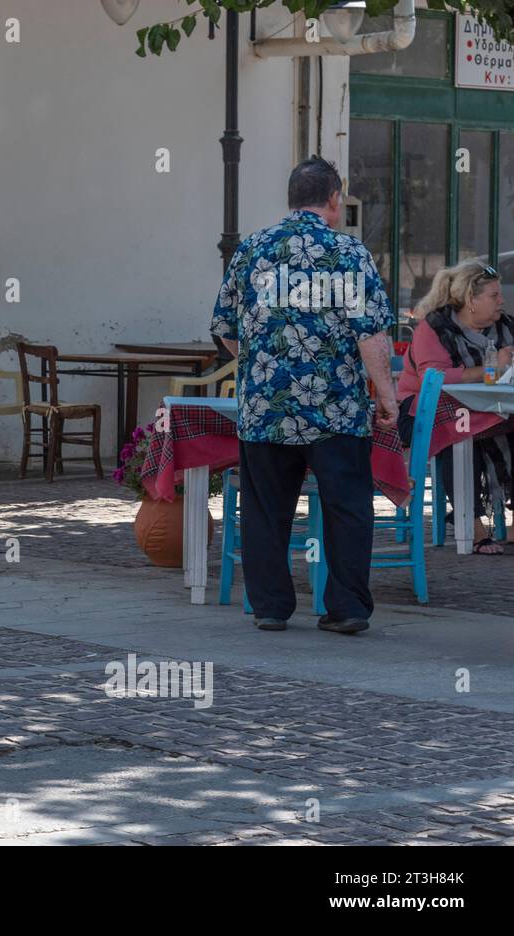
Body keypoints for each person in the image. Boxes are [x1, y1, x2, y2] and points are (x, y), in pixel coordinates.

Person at [210, 156, 397, 635]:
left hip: (265, 407)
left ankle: (271, 606)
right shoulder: (348, 253)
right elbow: (371, 334)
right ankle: (348, 607)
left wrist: (265, 362)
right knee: (347, 506)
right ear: (334, 199)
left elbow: (227, 331)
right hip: (335, 407)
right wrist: (387, 395)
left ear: (291, 199)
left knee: (265, 508)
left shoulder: (251, 250)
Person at [398, 259, 514, 554]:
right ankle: (471, 527)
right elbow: (432, 378)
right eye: (493, 296)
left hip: (487, 409)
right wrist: (492, 369)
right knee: (458, 430)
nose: (502, 301)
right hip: (421, 411)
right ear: (470, 301)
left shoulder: (506, 327)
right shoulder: (435, 328)